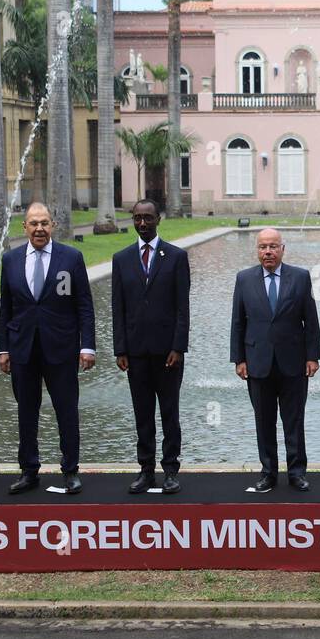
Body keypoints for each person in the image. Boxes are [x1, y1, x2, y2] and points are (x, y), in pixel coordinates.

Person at [0, 201, 96, 494]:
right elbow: (7, 308)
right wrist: (4, 349)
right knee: (26, 412)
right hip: (22, 349)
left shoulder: (71, 258)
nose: (39, 228)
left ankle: (70, 470)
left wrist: (87, 346)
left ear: (52, 225)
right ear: (24, 227)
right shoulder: (11, 260)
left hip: (61, 348)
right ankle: (29, 471)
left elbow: (85, 306)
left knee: (66, 410)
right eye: (33, 223)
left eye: (44, 223)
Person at [229, 228, 320, 491]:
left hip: (294, 361)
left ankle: (297, 473)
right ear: (257, 250)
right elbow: (238, 321)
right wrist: (239, 359)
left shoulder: (300, 277)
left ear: (283, 248)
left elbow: (310, 319)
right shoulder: (244, 279)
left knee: (294, 421)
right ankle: (268, 473)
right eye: (262, 247)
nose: (267, 251)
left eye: (272, 246)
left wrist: (312, 356)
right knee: (264, 421)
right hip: (257, 362)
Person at [112, 199, 190, 495]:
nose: (142, 223)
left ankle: (170, 469)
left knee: (170, 413)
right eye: (137, 218)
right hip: (136, 353)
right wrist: (121, 349)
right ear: (132, 220)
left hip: (167, 353)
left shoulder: (175, 256)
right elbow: (117, 309)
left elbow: (182, 308)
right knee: (142, 414)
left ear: (159, 219)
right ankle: (146, 470)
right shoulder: (121, 259)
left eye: (148, 218)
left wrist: (178, 347)